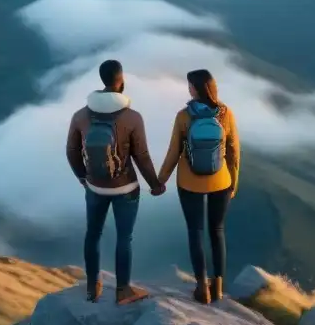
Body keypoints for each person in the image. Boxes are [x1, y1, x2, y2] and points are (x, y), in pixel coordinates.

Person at [66, 59, 165, 305]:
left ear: (102, 81)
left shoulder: (80, 116)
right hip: (126, 188)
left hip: (95, 187)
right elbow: (141, 156)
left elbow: (71, 150)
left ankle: (92, 287)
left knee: (93, 234)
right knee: (124, 238)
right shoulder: (132, 117)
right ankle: (123, 290)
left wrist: (83, 177)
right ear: (121, 82)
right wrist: (155, 184)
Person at [158, 69, 240, 305]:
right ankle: (219, 287)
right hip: (220, 181)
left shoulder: (184, 116)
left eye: (190, 86)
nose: (188, 89)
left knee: (195, 232)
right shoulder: (225, 114)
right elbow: (234, 152)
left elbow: (174, 152)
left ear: (197, 89)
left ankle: (202, 287)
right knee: (217, 231)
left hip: (189, 181)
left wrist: (160, 181)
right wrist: (233, 181)